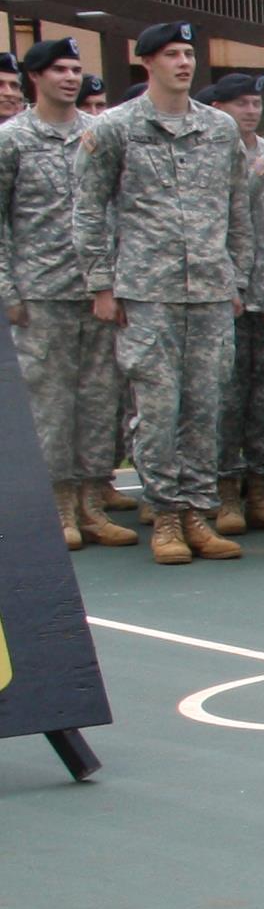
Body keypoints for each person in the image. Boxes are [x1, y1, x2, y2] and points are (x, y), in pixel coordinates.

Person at [77, 19, 253, 563]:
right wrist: (102, 285)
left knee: (204, 407)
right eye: (172, 54)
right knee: (156, 410)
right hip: (146, 293)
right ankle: (167, 519)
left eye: (188, 54)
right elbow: (88, 210)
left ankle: (198, 515)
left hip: (208, 292)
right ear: (145, 61)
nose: (184, 63)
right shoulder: (114, 127)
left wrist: (236, 279)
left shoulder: (219, 129)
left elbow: (238, 209)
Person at [2, 35, 125, 548]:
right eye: (59, 70)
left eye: (76, 69)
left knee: (99, 402)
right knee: (49, 406)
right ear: (36, 77)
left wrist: (117, 281)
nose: (71, 78)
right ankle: (58, 509)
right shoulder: (12, 139)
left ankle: (93, 503)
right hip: (41, 291)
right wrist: (8, 288)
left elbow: (120, 209)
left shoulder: (101, 134)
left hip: (99, 291)